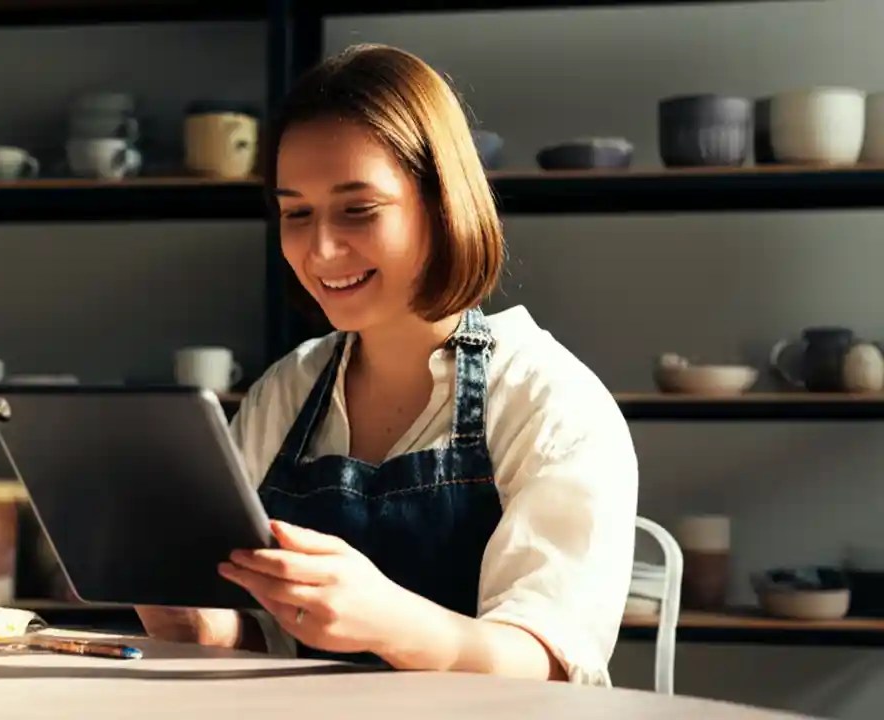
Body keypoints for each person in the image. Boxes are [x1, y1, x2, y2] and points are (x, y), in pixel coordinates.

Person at [136, 43, 637, 686]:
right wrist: (201, 626)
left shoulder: (549, 399)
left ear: (441, 202)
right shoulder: (289, 390)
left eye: (358, 209)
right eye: (296, 213)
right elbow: (263, 638)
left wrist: (390, 622)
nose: (320, 249)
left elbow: (550, 664)